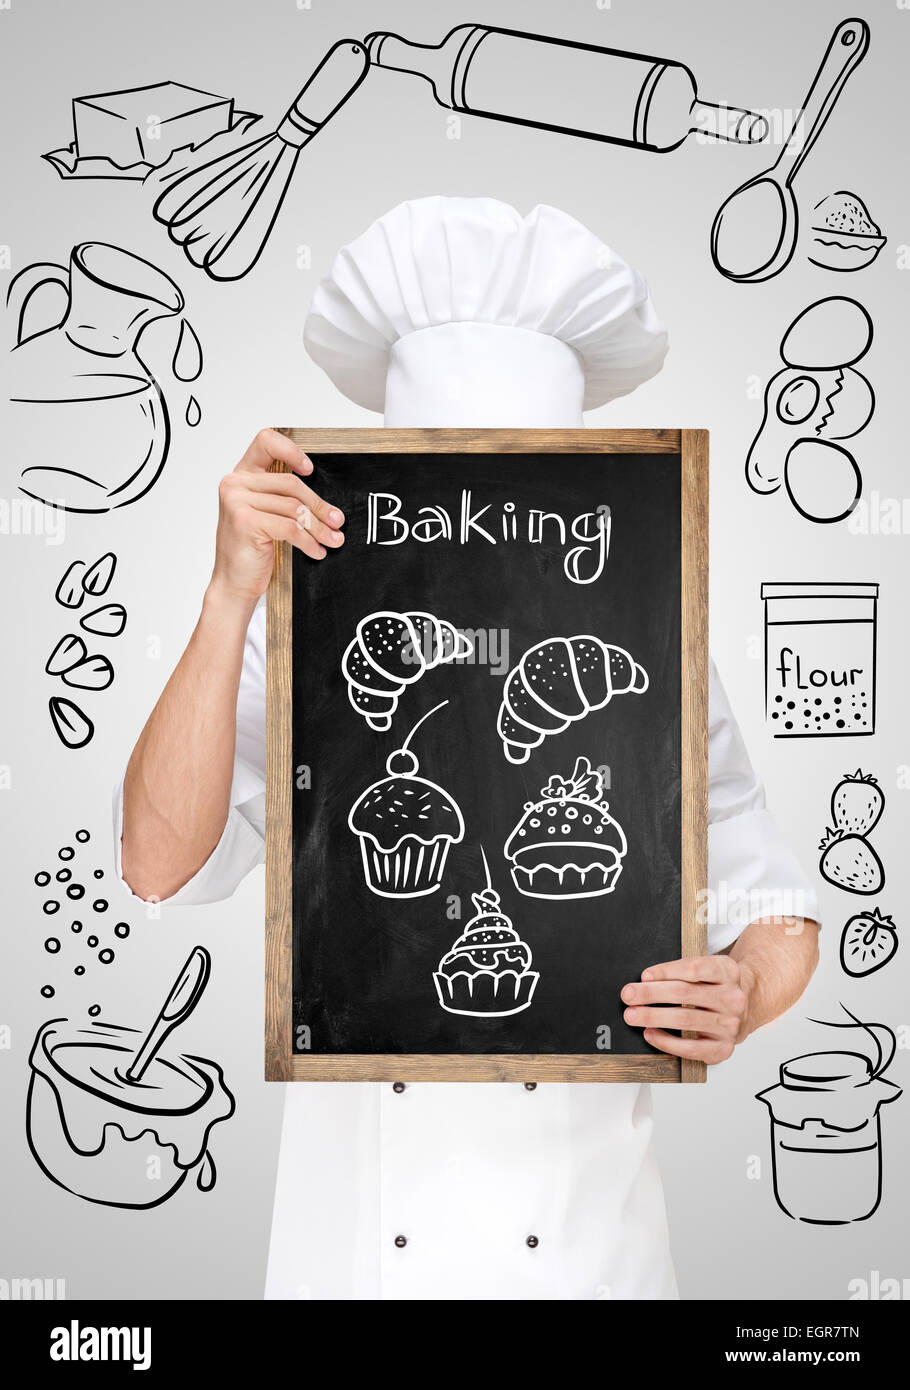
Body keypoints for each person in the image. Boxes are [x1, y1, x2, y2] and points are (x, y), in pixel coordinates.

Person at [117, 198, 819, 1300]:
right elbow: (158, 865)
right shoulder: (299, 639)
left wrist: (738, 983)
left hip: (597, 1258)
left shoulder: (651, 641)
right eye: (438, 479)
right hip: (350, 1265)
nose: (473, 513)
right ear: (388, 480)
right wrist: (225, 596)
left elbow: (775, 910)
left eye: (509, 475)